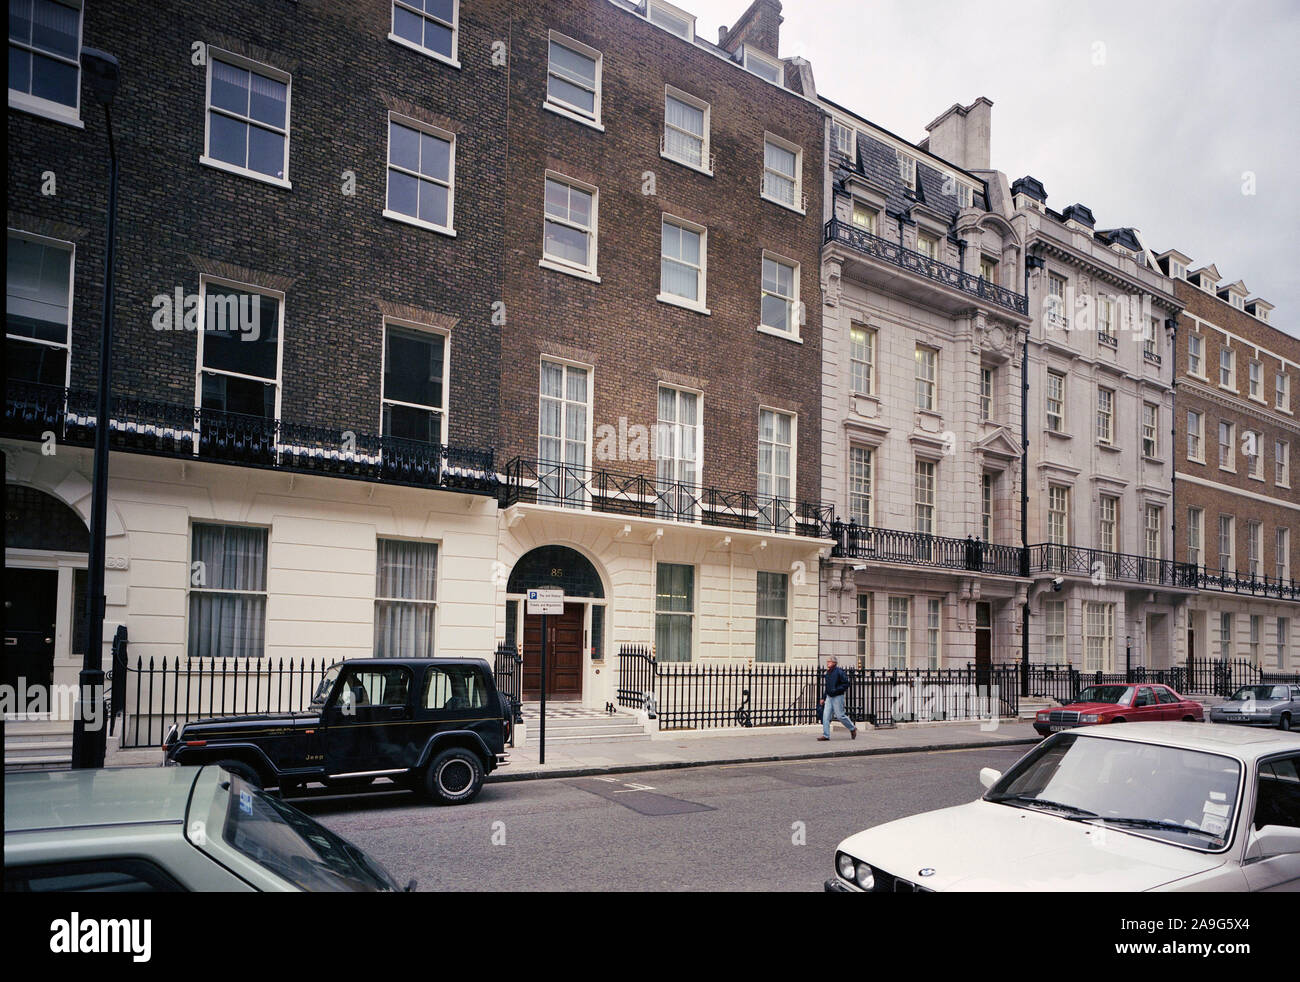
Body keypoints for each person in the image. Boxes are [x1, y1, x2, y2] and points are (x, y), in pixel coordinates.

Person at [818, 656, 857, 741]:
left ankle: (852, 728)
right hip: (829, 697)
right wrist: (823, 698)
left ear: (834, 663)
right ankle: (826, 735)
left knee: (840, 716)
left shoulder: (839, 672)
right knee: (826, 716)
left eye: (829, 661)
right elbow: (827, 687)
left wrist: (836, 690)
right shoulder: (828, 673)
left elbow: (846, 684)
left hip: (838, 697)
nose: (827, 663)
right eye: (827, 661)